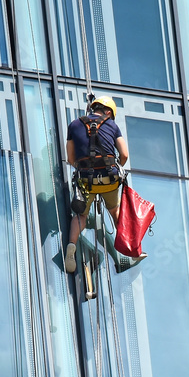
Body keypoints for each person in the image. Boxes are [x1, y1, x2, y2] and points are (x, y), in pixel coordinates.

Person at [64, 95, 136, 273]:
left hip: (86, 181)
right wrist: (114, 166)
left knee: (80, 216)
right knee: (114, 211)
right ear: (108, 111)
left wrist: (84, 168)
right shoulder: (112, 125)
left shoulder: (74, 125)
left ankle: (71, 246)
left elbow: (70, 158)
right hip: (108, 180)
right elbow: (125, 154)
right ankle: (130, 248)